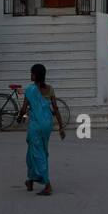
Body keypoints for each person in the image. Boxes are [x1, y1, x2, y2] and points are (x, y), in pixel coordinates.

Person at [17, 63, 64, 196]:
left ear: (36, 75)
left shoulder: (30, 90)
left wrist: (19, 117)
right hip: (47, 126)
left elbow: (24, 108)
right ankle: (30, 181)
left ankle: (47, 184)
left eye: (32, 73)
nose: (30, 75)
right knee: (35, 151)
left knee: (38, 154)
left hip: (36, 126)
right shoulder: (50, 89)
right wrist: (61, 126)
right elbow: (55, 108)